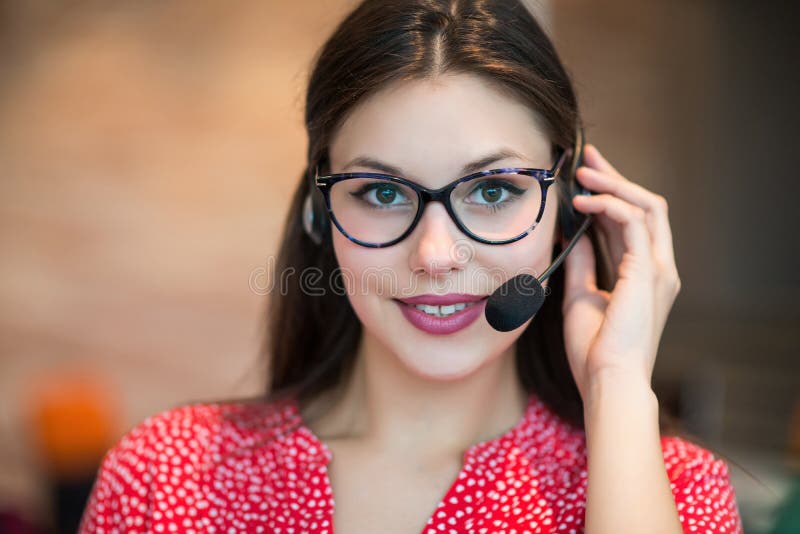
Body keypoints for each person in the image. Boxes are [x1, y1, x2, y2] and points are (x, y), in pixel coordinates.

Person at [79, 0, 744, 532]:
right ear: (320, 211)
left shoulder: (674, 493)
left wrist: (618, 387)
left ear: (568, 206)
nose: (434, 257)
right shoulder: (164, 476)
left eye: (492, 191)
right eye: (383, 192)